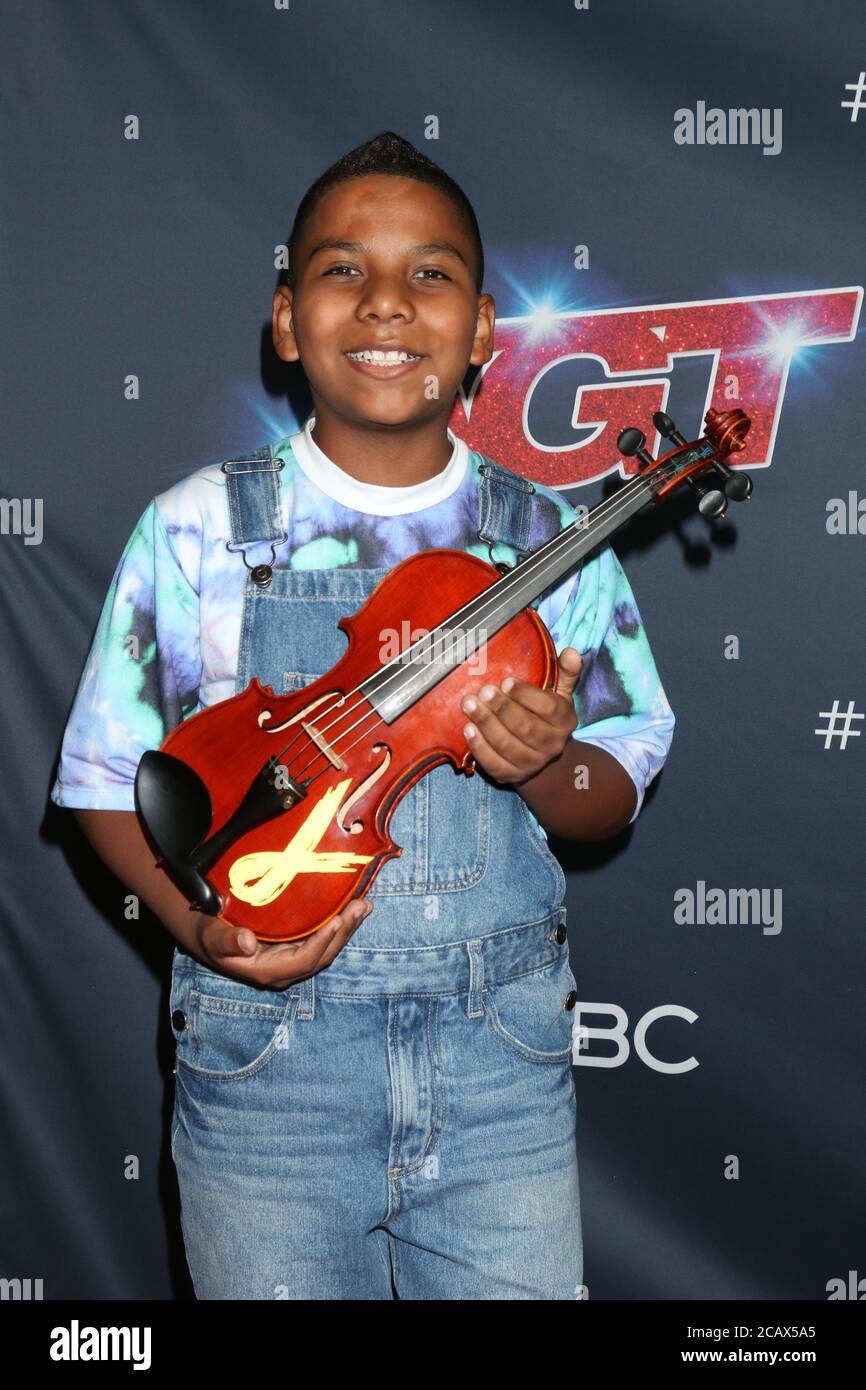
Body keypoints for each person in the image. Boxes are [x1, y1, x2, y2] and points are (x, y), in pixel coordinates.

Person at [50, 130, 675, 1300]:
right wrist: (203, 937)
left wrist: (543, 766)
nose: (386, 302)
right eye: (343, 269)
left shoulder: (544, 541)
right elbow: (101, 781)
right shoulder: (197, 528)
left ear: (484, 330)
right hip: (265, 1072)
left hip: (500, 1073)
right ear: (286, 320)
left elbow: (611, 793)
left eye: (428, 274)